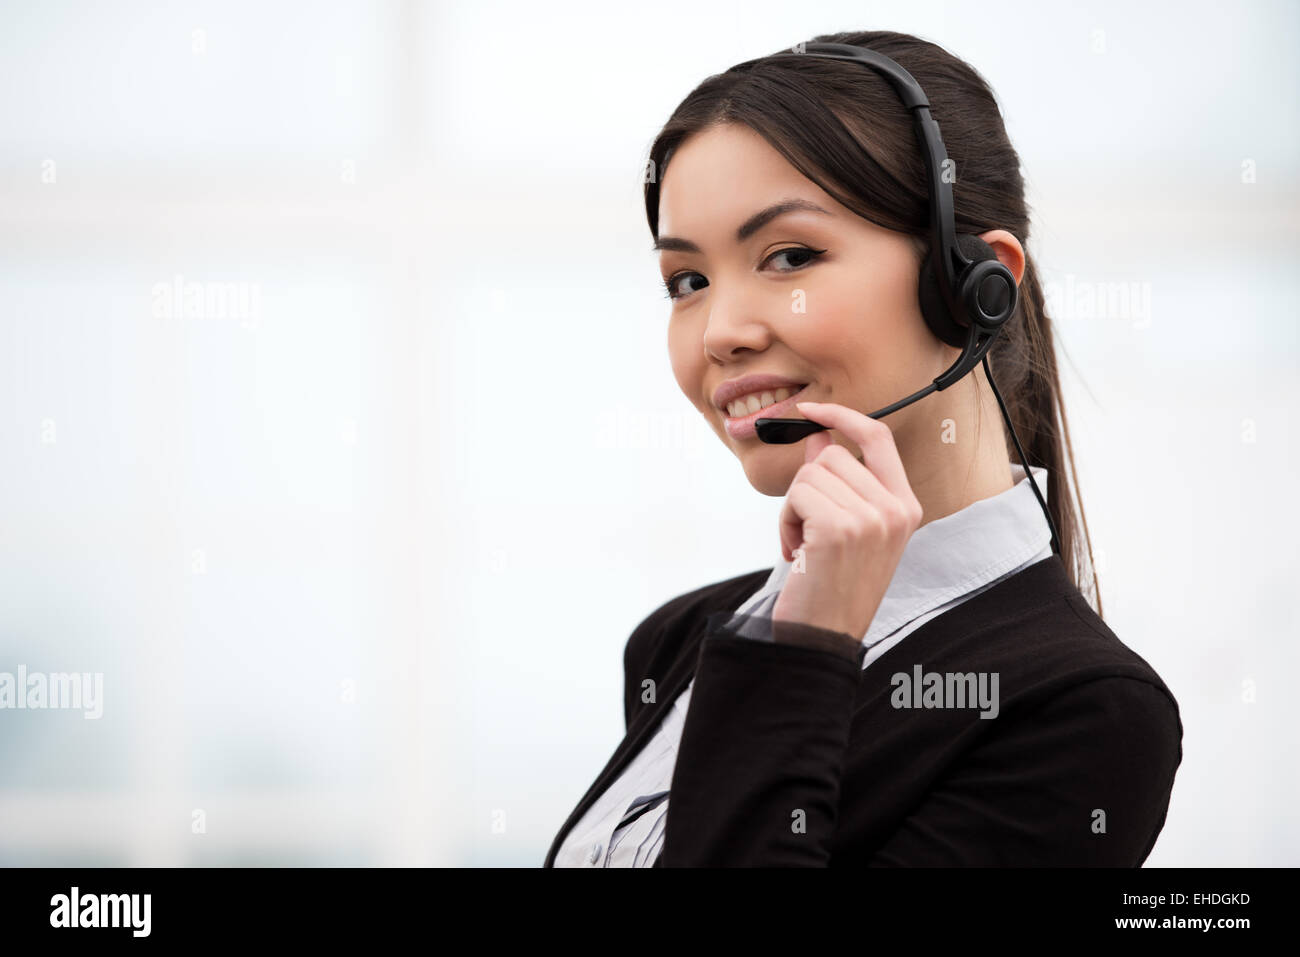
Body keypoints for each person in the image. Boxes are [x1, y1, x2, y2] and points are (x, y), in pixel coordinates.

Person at [544, 29, 1182, 867]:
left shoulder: (1084, 714)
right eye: (687, 282)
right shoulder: (685, 639)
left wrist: (806, 661)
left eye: (790, 256)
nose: (721, 334)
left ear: (973, 287)